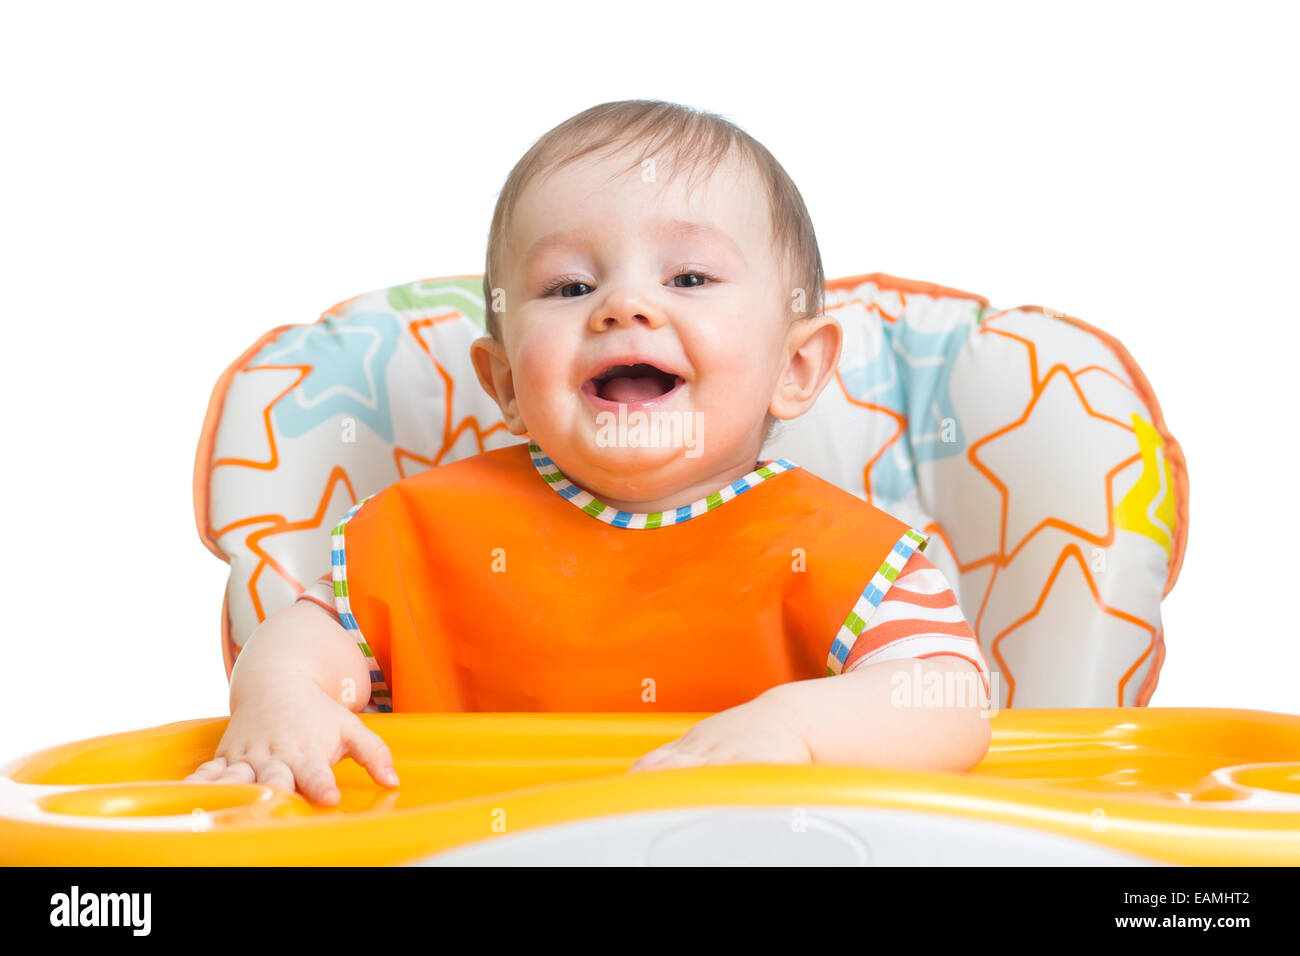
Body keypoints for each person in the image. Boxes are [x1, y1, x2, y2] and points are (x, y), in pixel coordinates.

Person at [188, 100, 992, 807]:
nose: (624, 306)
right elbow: (306, 643)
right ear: (504, 383)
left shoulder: (846, 557)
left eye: (688, 275)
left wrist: (796, 731)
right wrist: (283, 701)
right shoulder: (421, 535)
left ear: (796, 367)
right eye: (571, 288)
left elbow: (949, 699)